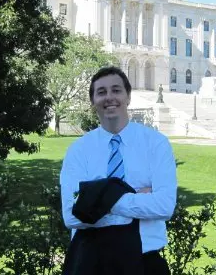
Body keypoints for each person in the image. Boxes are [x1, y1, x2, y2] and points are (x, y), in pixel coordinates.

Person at [60, 66, 177, 275]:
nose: (109, 97)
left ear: (128, 97)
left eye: (116, 90)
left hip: (144, 261)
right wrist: (134, 197)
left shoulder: (156, 144)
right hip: (89, 262)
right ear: (93, 101)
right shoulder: (78, 150)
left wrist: (96, 200)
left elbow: (164, 206)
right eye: (101, 92)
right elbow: (71, 216)